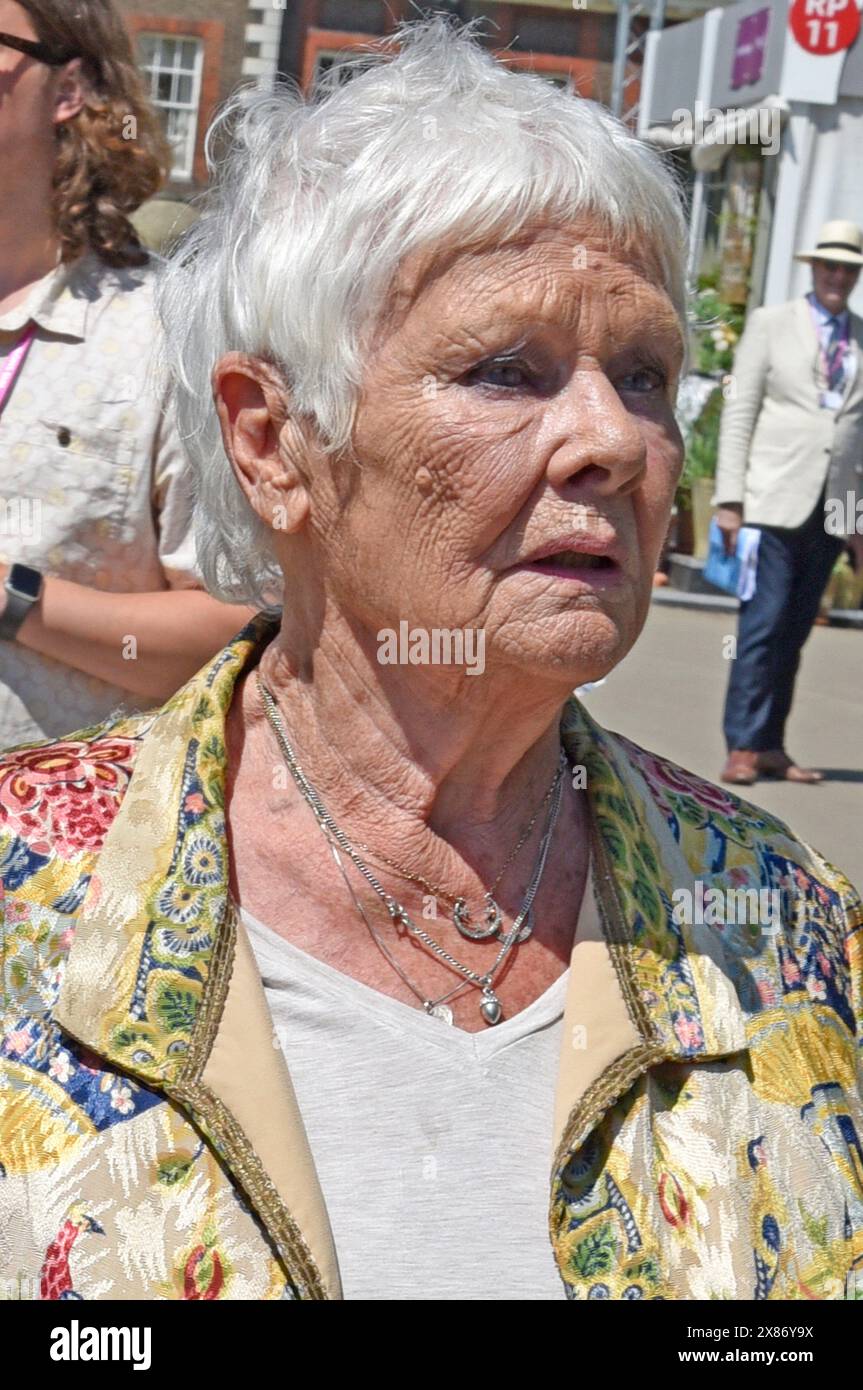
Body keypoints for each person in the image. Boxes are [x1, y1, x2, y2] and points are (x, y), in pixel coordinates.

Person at [2, 18, 862, 1302]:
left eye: (640, 375)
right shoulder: (31, 904)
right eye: (506, 370)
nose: (610, 444)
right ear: (273, 444)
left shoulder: (780, 922)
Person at [0, 0, 253, 750]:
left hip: (60, 849)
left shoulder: (167, 334)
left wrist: (15, 601)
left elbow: (237, 627)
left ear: (68, 88)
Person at [713, 219, 863, 786]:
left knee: (797, 629)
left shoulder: (862, 336)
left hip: (831, 510)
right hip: (771, 501)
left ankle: (772, 742)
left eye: (848, 269)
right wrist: (729, 500)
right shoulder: (771, 325)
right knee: (763, 624)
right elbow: (740, 413)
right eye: (830, 265)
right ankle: (743, 745)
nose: (838, 276)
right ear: (813, 268)